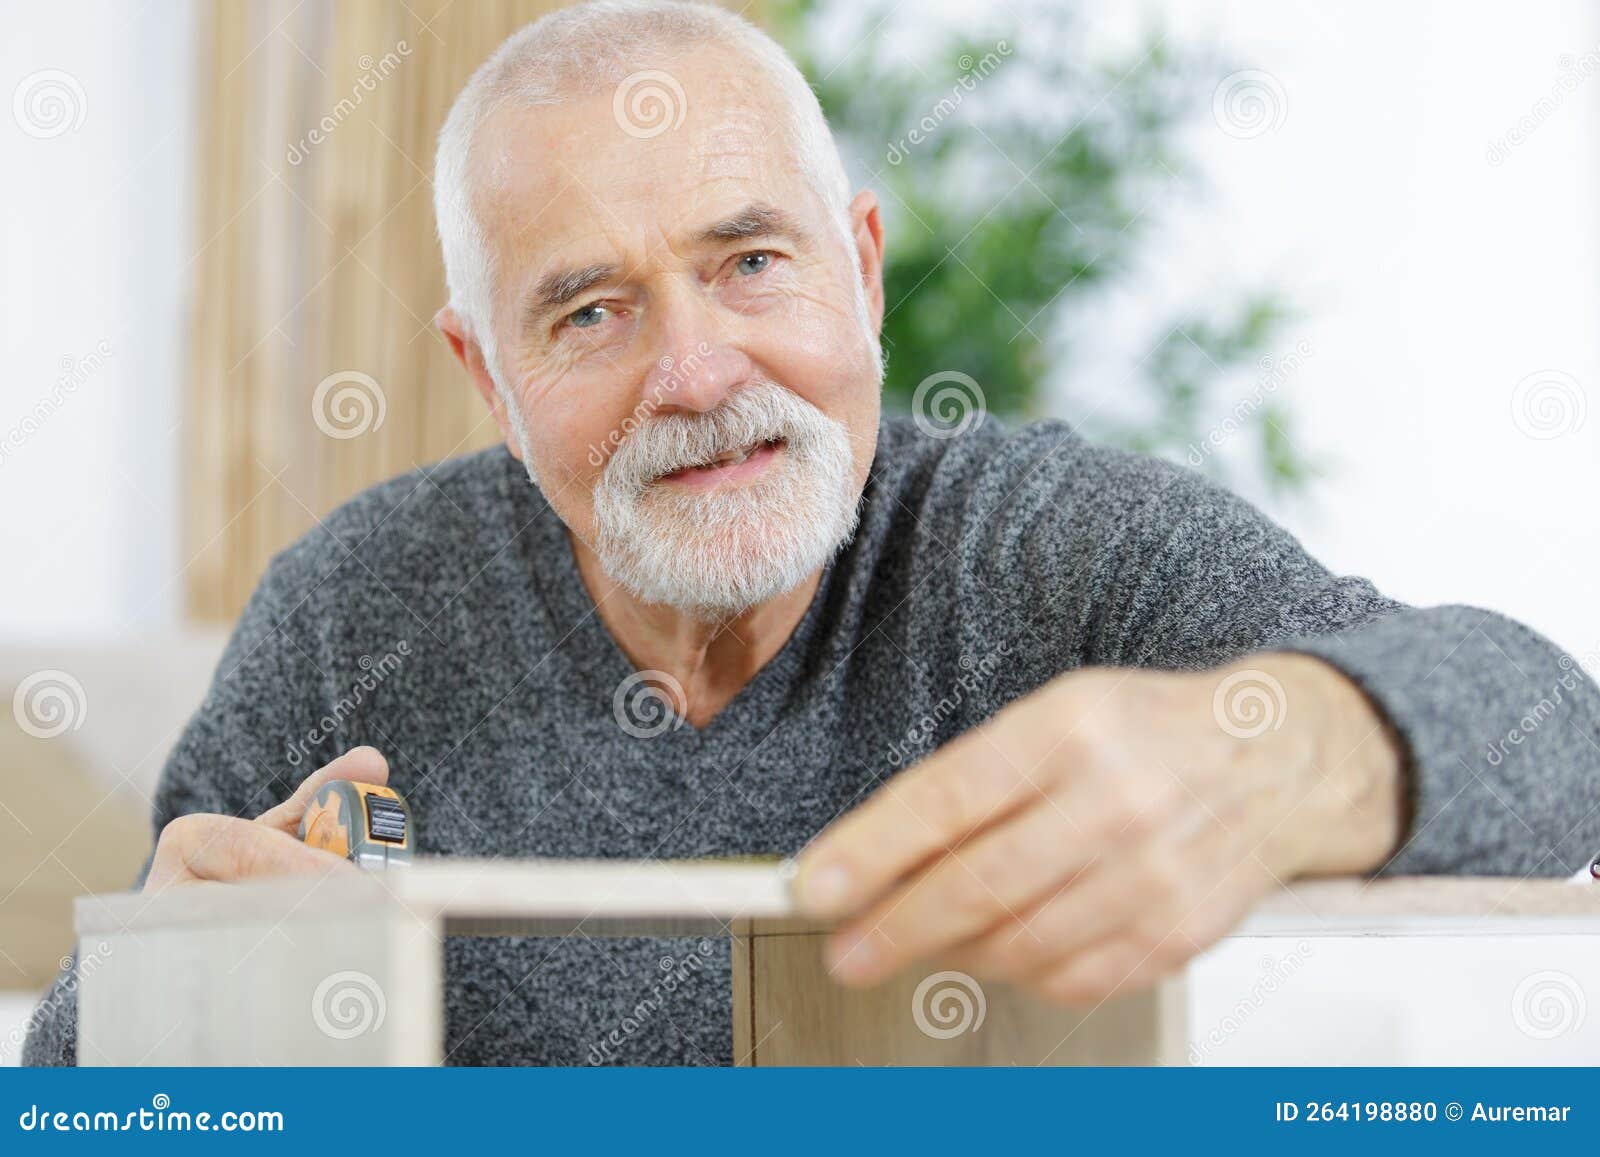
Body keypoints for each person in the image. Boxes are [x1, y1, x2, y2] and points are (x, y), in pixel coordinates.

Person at [24, 0, 1600, 1066]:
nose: (698, 372)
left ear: (861, 267)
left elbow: (1552, 729)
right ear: (486, 379)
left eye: (753, 262)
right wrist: (156, 987)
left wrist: (1277, 754)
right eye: (589, 311)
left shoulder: (1045, 545)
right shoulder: (353, 604)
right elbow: (83, 1079)